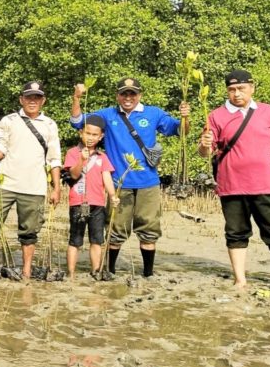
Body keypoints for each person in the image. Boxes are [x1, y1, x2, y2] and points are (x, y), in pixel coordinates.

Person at [71, 77, 189, 277]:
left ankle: (148, 274)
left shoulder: (154, 113)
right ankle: (109, 271)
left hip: (148, 183)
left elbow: (180, 131)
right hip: (118, 183)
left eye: (132, 93)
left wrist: (186, 117)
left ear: (139, 95)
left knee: (149, 230)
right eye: (124, 93)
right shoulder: (107, 115)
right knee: (115, 230)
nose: (128, 97)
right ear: (117, 95)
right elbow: (77, 123)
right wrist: (76, 98)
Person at [0, 81, 62, 278]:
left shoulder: (50, 125)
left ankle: (27, 271)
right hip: (5, 183)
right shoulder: (9, 120)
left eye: (36, 97)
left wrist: (56, 188)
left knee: (29, 232)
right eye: (28, 97)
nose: (32, 101)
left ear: (43, 101)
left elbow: (54, 159)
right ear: (21, 99)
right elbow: (0, 152)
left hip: (34, 187)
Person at [199, 70, 270, 289]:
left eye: (241, 88)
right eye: (232, 89)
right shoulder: (215, 115)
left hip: (265, 184)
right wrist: (204, 144)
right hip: (231, 185)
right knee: (236, 232)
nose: (237, 93)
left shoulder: (269, 112)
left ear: (252, 88)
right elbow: (205, 152)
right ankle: (240, 279)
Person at [63, 115, 116, 279]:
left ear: (101, 137)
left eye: (95, 135)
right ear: (81, 133)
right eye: (88, 133)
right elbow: (73, 174)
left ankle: (96, 271)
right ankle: (71, 273)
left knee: (97, 240)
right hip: (78, 203)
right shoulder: (72, 153)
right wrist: (82, 159)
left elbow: (106, 177)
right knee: (75, 240)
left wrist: (113, 195)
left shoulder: (102, 156)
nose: (91, 137)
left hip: (98, 204)